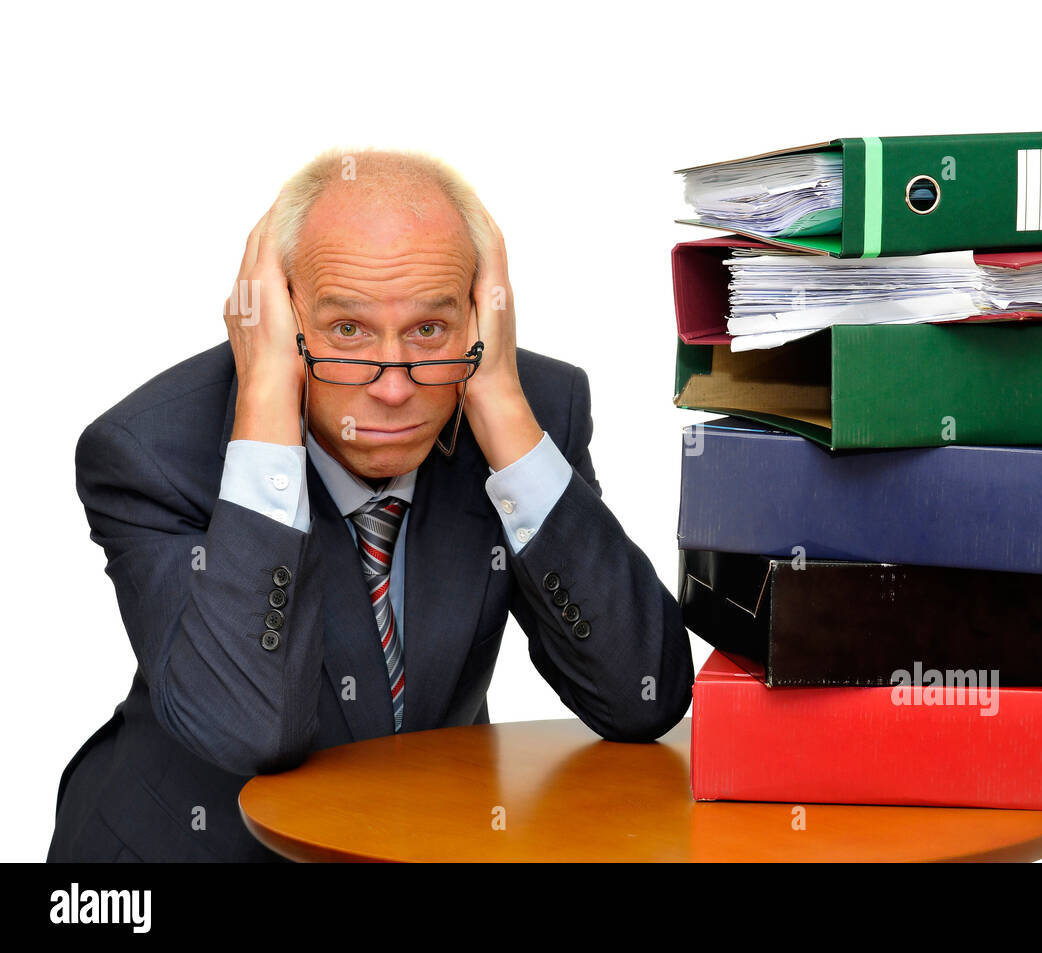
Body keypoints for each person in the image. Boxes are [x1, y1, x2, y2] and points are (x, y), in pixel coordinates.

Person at [47, 148, 694, 862]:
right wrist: (267, 403)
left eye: (428, 329)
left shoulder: (520, 411)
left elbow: (643, 698)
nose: (392, 387)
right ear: (283, 316)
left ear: (480, 314)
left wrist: (504, 410)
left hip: (409, 843)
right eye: (348, 330)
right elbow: (250, 728)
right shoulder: (148, 453)